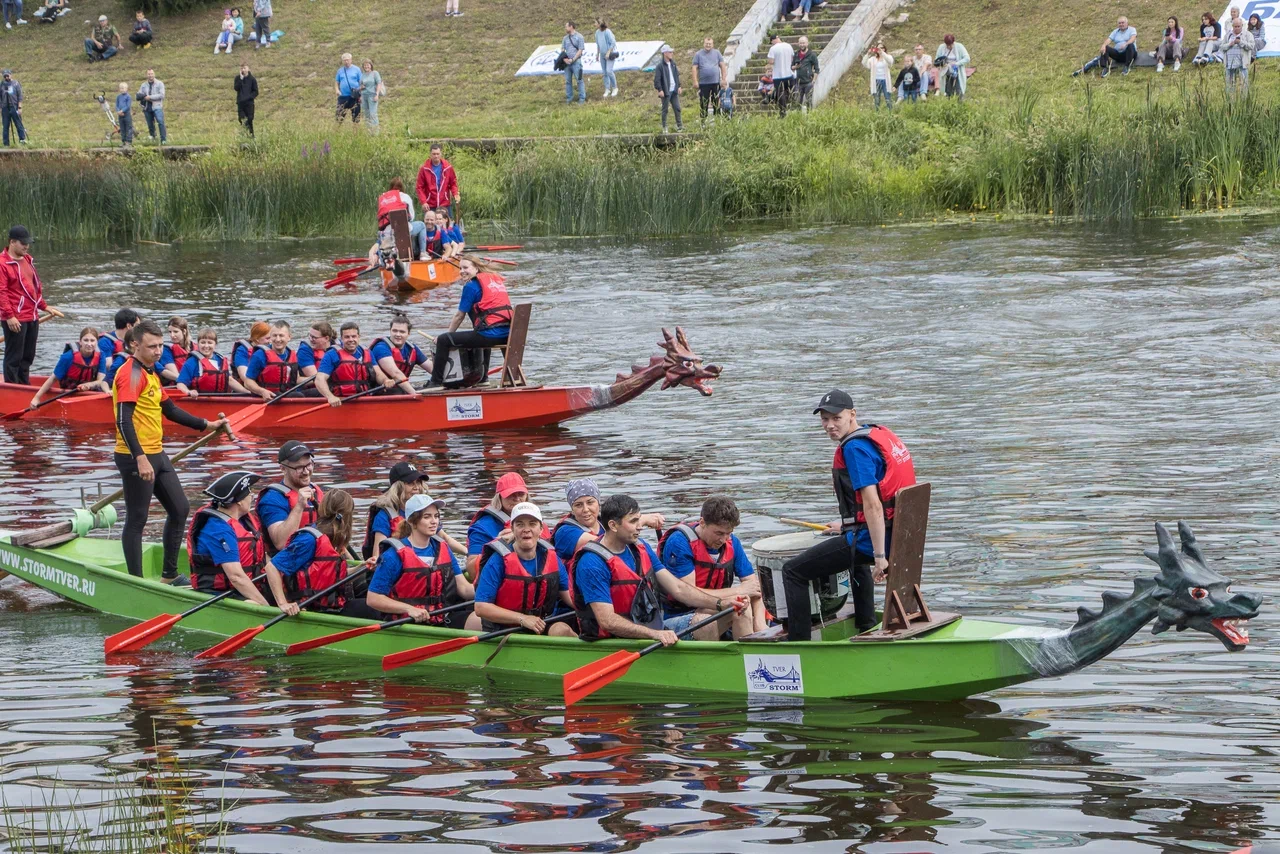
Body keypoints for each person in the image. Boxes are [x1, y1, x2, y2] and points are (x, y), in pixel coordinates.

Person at [781, 389, 916, 641]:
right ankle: (865, 625)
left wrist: (879, 558)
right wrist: (846, 524)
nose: (830, 425)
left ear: (852, 414)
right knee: (852, 555)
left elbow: (874, 506)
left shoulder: (854, 448)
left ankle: (797, 647)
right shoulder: (875, 435)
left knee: (793, 571)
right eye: (824, 419)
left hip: (877, 541)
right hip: (898, 533)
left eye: (836, 418)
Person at [112, 319, 230, 581]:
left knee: (180, 508)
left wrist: (207, 425)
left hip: (157, 452)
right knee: (137, 519)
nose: (158, 351)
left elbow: (170, 409)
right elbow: (123, 420)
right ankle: (136, 582)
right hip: (135, 457)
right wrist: (140, 458)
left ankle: (169, 574)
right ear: (135, 344)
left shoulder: (151, 372)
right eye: (152, 346)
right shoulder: (129, 374)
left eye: (161, 345)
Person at [570, 494, 747, 643]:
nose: (640, 526)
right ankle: (709, 676)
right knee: (705, 622)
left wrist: (720, 604)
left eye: (639, 519)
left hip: (650, 627)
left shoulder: (641, 548)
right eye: (633, 521)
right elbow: (607, 621)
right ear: (613, 525)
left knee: (737, 611)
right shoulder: (592, 562)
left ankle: (748, 667)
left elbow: (678, 588)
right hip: (615, 640)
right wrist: (654, 634)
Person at [263, 489, 381, 619]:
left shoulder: (332, 538)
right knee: (375, 609)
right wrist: (283, 604)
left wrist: (362, 566)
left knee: (372, 593)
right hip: (313, 607)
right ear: (348, 516)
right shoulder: (309, 539)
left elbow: (333, 575)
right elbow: (272, 568)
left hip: (330, 603)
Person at [659, 495, 764, 639]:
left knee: (741, 608)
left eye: (728, 533)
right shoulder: (679, 542)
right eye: (719, 533)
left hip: (714, 608)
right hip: (679, 615)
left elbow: (754, 587)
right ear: (702, 522)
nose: (723, 539)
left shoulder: (732, 542)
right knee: (705, 622)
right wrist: (739, 590)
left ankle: (750, 654)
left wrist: (760, 626)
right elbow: (689, 595)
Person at [367, 492, 474, 626]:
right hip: (408, 622)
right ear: (412, 522)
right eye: (427, 517)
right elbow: (373, 598)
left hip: (441, 618)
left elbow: (464, 589)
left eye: (436, 516)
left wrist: (491, 592)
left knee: (480, 619)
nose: (434, 521)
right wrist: (409, 609)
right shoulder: (393, 555)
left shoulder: (443, 548)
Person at [471, 502, 575, 635]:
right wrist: (523, 619)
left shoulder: (552, 557)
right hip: (505, 629)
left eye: (532, 524)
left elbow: (570, 597)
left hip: (541, 624)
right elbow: (481, 607)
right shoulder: (497, 561)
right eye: (520, 524)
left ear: (541, 529)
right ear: (513, 529)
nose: (526, 529)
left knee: (562, 629)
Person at [425, 256, 512, 389]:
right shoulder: (494, 282)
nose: (462, 271)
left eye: (466, 268)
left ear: (476, 269)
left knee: (443, 340)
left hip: (490, 336)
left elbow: (459, 316)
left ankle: (435, 382)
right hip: (507, 335)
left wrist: (448, 335)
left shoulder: (470, 286)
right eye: (460, 268)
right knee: (480, 331)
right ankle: (483, 379)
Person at [186, 470, 272, 604]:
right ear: (239, 501)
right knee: (253, 603)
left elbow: (261, 557)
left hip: (252, 582)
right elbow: (236, 577)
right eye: (250, 494)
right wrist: (266, 606)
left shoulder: (243, 520)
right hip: (221, 591)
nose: (252, 497)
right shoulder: (219, 530)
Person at [551, 477, 665, 564]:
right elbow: (609, 544)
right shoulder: (565, 533)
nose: (585, 509)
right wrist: (641, 520)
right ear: (572, 509)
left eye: (590, 502)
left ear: (598, 503)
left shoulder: (605, 523)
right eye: (578, 505)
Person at [1, 225, 58, 385]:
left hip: (31, 315)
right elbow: (2, 292)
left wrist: (44, 306)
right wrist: (9, 316)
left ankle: (24, 385)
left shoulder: (27, 259)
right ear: (12, 242)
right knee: (14, 358)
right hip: (15, 318)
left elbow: (33, 288)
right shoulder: (2, 264)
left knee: (28, 356)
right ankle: (12, 388)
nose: (26, 246)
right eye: (23, 243)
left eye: (28, 243)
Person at [257, 440, 324, 554]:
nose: (306, 472)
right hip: (288, 566)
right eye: (299, 468)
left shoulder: (316, 490)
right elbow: (281, 543)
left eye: (309, 465)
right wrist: (299, 506)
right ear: (283, 468)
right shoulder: (272, 499)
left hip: (317, 560)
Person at [466, 472, 532, 576]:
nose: (517, 499)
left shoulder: (535, 521)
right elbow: (471, 570)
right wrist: (498, 545)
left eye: (521, 494)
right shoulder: (482, 527)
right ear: (499, 497)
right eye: (511, 494)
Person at [316, 320, 395, 405]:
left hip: (365, 398)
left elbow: (378, 374)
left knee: (396, 390)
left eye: (354, 336)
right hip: (341, 400)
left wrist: (385, 380)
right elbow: (319, 379)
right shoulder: (331, 355)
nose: (351, 340)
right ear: (341, 338)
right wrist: (330, 397)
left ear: (358, 337)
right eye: (347, 337)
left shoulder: (367, 352)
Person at [27, 326, 107, 408]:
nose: (89, 344)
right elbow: (53, 379)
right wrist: (36, 398)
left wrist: (89, 385)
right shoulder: (68, 357)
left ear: (97, 342)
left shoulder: (101, 356)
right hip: (69, 391)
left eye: (92, 341)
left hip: (90, 391)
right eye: (86, 340)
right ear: (80, 342)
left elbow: (101, 380)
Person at [362, 460, 428, 558]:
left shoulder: (425, 510)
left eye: (418, 482)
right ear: (398, 487)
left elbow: (443, 538)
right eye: (410, 483)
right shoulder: (384, 515)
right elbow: (378, 554)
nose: (416, 487)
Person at [174, 328, 250, 397]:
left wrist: (247, 392)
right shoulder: (191, 362)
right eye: (203, 342)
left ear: (215, 344)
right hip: (199, 401)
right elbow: (180, 384)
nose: (206, 346)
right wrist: (188, 392)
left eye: (210, 343)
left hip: (221, 401)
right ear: (198, 344)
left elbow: (229, 380)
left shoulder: (220, 360)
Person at [370, 314, 430, 394]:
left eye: (402, 332)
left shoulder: (412, 348)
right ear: (390, 331)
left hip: (401, 389)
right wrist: (415, 394)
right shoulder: (381, 347)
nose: (398, 335)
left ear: (408, 333)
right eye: (394, 331)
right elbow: (395, 373)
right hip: (381, 391)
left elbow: (432, 367)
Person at [374, 177, 426, 261]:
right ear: (402, 188)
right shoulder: (405, 196)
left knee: (383, 236)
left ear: (390, 187)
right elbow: (412, 217)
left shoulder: (383, 197)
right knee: (422, 225)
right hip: (404, 230)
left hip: (387, 232)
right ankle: (423, 253)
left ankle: (383, 261)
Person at [243, 320, 297, 399]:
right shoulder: (260, 355)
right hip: (269, 396)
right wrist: (262, 391)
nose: (278, 339)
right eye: (274, 336)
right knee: (298, 396)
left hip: (287, 393)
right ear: (270, 337)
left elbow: (297, 379)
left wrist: (316, 378)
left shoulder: (292, 354)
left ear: (289, 337)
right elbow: (248, 382)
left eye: (281, 336)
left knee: (316, 392)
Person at [415, 144, 460, 218]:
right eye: (434, 154)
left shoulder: (448, 167)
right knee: (431, 226)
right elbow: (419, 187)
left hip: (444, 203)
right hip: (430, 204)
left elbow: (453, 183)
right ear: (430, 154)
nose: (436, 156)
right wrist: (423, 202)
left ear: (441, 154)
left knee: (448, 225)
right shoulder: (424, 169)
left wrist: (455, 193)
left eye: (437, 154)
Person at [692, 37, 727, 125]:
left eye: (710, 44)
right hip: (703, 83)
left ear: (712, 44)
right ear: (704, 44)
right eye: (706, 44)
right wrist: (695, 81)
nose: (708, 45)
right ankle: (703, 122)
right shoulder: (698, 54)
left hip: (715, 82)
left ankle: (718, 121)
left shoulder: (717, 53)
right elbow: (694, 68)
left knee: (716, 102)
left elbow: (722, 66)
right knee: (704, 102)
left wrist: (723, 79)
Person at [653, 44, 683, 134]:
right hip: (666, 91)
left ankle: (679, 126)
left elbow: (676, 76)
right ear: (665, 53)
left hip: (674, 90)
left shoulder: (673, 64)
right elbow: (657, 80)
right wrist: (660, 90)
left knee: (677, 108)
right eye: (670, 52)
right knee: (665, 109)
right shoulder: (660, 66)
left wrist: (679, 86)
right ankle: (664, 127)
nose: (672, 53)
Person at [1222, 17, 1254, 94]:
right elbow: (1222, 47)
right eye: (1235, 26)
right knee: (1229, 86)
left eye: (1238, 26)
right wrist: (1230, 44)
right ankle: (1230, 102)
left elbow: (1251, 46)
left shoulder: (1247, 35)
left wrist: (1240, 42)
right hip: (1229, 64)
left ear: (1242, 25)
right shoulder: (1228, 35)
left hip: (1242, 64)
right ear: (1232, 26)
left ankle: (1244, 101)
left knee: (1244, 85)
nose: (1236, 28)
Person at [231, 320, 269, 384]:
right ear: (257, 339)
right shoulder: (242, 351)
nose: (271, 341)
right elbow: (244, 377)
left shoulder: (271, 349)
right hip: (246, 387)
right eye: (267, 338)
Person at [156, 315, 191, 384]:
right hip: (175, 385)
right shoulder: (166, 349)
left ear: (184, 331)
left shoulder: (195, 347)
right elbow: (175, 374)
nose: (172, 335)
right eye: (170, 332)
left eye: (175, 331)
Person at [767, 34, 795, 117]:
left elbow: (771, 61)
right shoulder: (788, 46)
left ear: (773, 40)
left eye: (771, 42)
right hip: (789, 74)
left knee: (781, 94)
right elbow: (792, 59)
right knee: (790, 92)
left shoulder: (773, 48)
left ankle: (783, 112)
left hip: (778, 76)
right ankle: (792, 108)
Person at [862, 42, 894, 110]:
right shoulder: (873, 59)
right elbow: (864, 63)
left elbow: (890, 62)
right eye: (878, 48)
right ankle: (877, 114)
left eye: (882, 48)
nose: (880, 49)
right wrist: (868, 54)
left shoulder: (888, 57)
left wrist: (882, 53)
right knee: (877, 100)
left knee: (888, 98)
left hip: (885, 81)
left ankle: (891, 113)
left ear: (884, 49)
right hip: (876, 80)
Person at [137, 70, 166, 144]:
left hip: (157, 106)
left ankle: (163, 139)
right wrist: (143, 97)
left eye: (152, 74)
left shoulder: (160, 83)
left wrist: (150, 97)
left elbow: (162, 95)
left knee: (160, 122)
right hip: (147, 107)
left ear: (154, 74)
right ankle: (153, 138)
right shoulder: (143, 85)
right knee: (150, 124)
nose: (150, 75)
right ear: (147, 75)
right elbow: (138, 95)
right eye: (149, 74)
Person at [562, 21, 586, 104]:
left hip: (576, 62)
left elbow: (580, 50)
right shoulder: (565, 38)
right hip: (567, 63)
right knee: (568, 81)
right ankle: (569, 98)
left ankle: (582, 98)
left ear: (571, 26)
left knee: (579, 80)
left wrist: (573, 59)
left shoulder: (580, 37)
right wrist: (564, 58)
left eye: (566, 26)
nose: (565, 28)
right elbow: (562, 49)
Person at [793, 36, 819, 112]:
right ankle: (798, 118)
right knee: (798, 102)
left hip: (808, 82)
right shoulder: (796, 54)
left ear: (807, 43)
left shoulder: (812, 55)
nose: (802, 45)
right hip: (798, 83)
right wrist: (795, 66)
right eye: (800, 43)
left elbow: (817, 69)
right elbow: (791, 67)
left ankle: (810, 117)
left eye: (803, 43)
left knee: (809, 102)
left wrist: (813, 80)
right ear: (798, 44)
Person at [335, 53, 362, 125]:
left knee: (356, 116)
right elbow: (337, 82)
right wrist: (337, 90)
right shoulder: (340, 71)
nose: (346, 62)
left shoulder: (357, 69)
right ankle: (336, 132)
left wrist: (360, 93)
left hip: (354, 96)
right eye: (344, 60)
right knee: (339, 116)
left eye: (347, 60)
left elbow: (361, 82)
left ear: (351, 60)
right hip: (343, 96)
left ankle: (355, 132)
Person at [1, 71, 26, 147]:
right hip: (5, 108)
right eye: (5, 76)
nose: (6, 77)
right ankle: (6, 144)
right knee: (5, 126)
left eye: (7, 76)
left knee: (19, 124)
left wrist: (19, 107)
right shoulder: (1, 84)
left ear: (11, 75)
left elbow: (20, 96)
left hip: (14, 106)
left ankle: (22, 140)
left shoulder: (16, 83)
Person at [360, 59, 384, 132]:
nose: (366, 66)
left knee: (373, 114)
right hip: (364, 96)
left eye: (368, 65)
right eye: (365, 65)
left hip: (372, 95)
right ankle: (369, 131)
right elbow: (360, 85)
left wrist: (377, 94)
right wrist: (361, 87)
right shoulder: (362, 75)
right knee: (366, 114)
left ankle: (375, 132)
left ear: (371, 65)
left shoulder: (375, 73)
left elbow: (379, 83)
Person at [596, 19, 618, 97]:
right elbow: (598, 44)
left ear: (599, 24)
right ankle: (607, 88)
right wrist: (597, 54)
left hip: (609, 53)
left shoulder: (607, 32)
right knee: (604, 72)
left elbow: (613, 42)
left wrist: (608, 52)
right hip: (602, 54)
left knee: (609, 71)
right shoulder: (597, 33)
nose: (594, 24)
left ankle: (615, 87)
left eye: (595, 22)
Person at [234, 63, 257, 136]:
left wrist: (249, 97)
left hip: (249, 103)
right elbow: (236, 88)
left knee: (250, 119)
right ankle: (244, 135)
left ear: (248, 69)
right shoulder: (237, 78)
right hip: (241, 103)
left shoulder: (252, 79)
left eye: (244, 68)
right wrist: (241, 79)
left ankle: (251, 135)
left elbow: (255, 91)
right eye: (241, 68)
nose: (243, 70)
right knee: (242, 119)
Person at [115, 82, 134, 147]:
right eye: (121, 88)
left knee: (128, 128)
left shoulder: (128, 97)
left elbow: (128, 106)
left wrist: (122, 111)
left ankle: (128, 141)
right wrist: (118, 111)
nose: (122, 89)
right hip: (120, 115)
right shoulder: (118, 97)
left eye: (124, 88)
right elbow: (116, 105)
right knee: (122, 128)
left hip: (127, 114)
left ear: (127, 88)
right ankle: (123, 141)